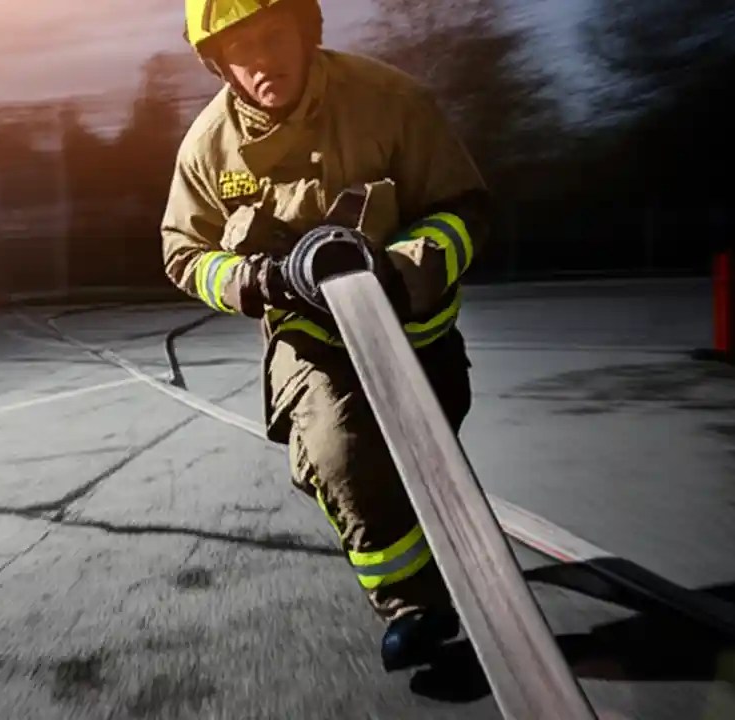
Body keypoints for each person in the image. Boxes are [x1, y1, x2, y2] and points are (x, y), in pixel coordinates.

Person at [161, 0, 493, 672]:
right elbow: (183, 252)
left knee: (426, 462)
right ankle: (412, 605)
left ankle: (451, 563)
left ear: (307, 30)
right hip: (309, 338)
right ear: (218, 63)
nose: (262, 61)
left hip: (416, 333)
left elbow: (464, 206)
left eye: (273, 35)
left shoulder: (389, 100)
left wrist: (402, 269)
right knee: (341, 456)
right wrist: (252, 279)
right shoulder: (207, 149)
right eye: (239, 49)